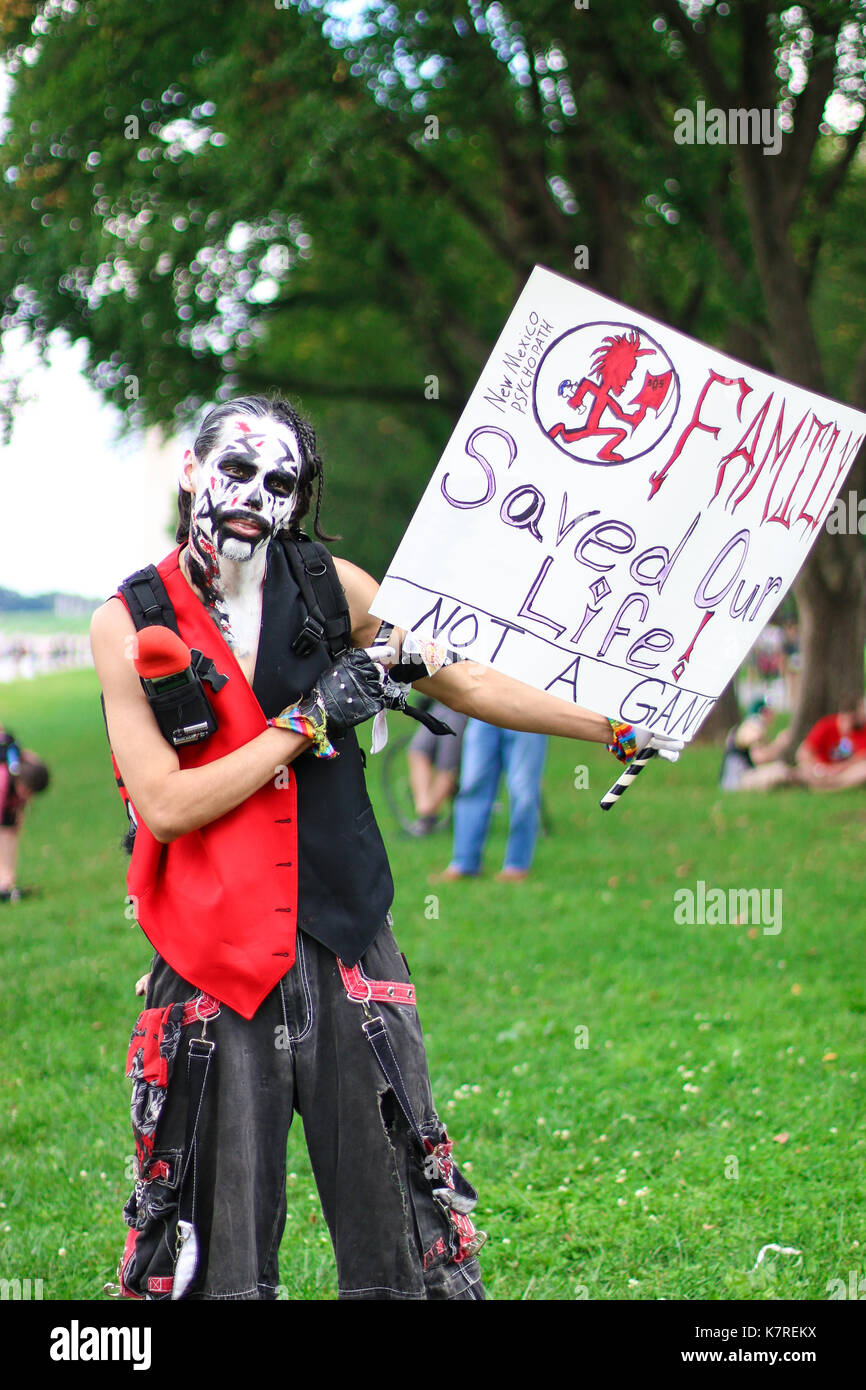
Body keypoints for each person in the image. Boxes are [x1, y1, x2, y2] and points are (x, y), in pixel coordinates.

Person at [91, 392, 681, 1301]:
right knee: (210, 1256)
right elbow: (167, 808)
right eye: (237, 471)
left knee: (406, 1235)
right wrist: (311, 716)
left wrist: (609, 723)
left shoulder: (334, 587)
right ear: (191, 471)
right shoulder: (126, 621)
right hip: (210, 957)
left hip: (346, 935)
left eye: (280, 481)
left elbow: (465, 679)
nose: (255, 494)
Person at [436, 720, 548, 881]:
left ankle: (516, 866)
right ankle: (464, 863)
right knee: (472, 784)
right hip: (483, 713)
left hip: (530, 710)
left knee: (523, 791)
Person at [0, 728, 50, 901]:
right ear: (22, 784)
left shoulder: (22, 763)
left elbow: (13, 827)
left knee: (9, 830)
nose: (29, 797)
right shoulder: (4, 781)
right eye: (29, 792)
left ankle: (6, 880)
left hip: (8, 801)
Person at [406, 699, 468, 835]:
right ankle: (424, 810)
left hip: (462, 708)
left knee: (448, 765)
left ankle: (427, 817)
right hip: (439, 703)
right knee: (417, 751)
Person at [718, 699, 793, 791]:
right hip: (737, 779)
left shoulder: (747, 726)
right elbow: (759, 758)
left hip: (738, 777)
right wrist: (780, 744)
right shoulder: (753, 727)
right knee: (780, 771)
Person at [795, 700, 866, 790]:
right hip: (819, 771)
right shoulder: (826, 725)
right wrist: (820, 767)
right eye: (862, 712)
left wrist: (839, 768)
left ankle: (830, 787)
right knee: (802, 770)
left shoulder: (863, 731)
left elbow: (862, 756)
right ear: (852, 716)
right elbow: (804, 752)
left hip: (845, 773)